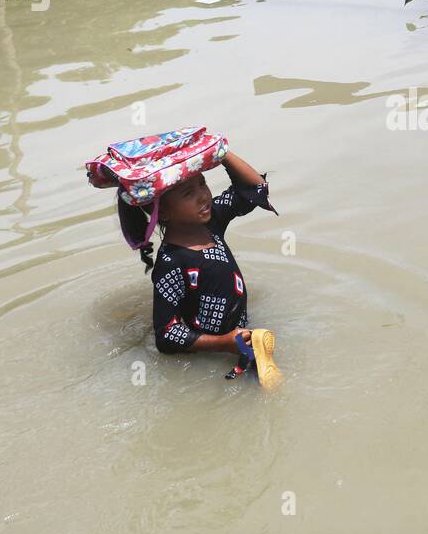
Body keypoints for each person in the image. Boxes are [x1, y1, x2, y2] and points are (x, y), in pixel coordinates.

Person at [87, 128, 283, 389]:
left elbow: (254, 188)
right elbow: (166, 337)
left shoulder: (211, 221)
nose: (203, 195)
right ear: (163, 211)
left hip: (238, 335)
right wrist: (224, 342)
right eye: (189, 193)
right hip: (210, 354)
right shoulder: (171, 264)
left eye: (202, 183)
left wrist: (218, 153)